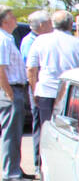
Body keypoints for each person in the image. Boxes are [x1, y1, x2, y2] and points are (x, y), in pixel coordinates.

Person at [27, 10, 79, 172]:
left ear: (53, 24)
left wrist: (35, 90)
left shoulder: (40, 41)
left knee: (45, 130)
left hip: (46, 91)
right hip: (71, 94)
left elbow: (31, 69)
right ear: (70, 25)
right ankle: (67, 166)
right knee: (70, 132)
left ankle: (42, 166)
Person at [0, 5, 31, 181]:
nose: (15, 20)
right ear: (4, 21)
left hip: (15, 88)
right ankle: (11, 173)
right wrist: (9, 93)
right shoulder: (3, 40)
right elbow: (1, 69)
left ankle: (14, 167)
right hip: (10, 89)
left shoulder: (8, 38)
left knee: (16, 131)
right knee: (11, 132)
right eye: (12, 16)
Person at [21, 11, 52, 168]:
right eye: (49, 22)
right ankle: (38, 163)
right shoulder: (30, 42)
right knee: (40, 126)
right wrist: (35, 93)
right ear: (42, 25)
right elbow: (31, 70)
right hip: (38, 89)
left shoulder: (44, 40)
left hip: (43, 89)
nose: (52, 25)